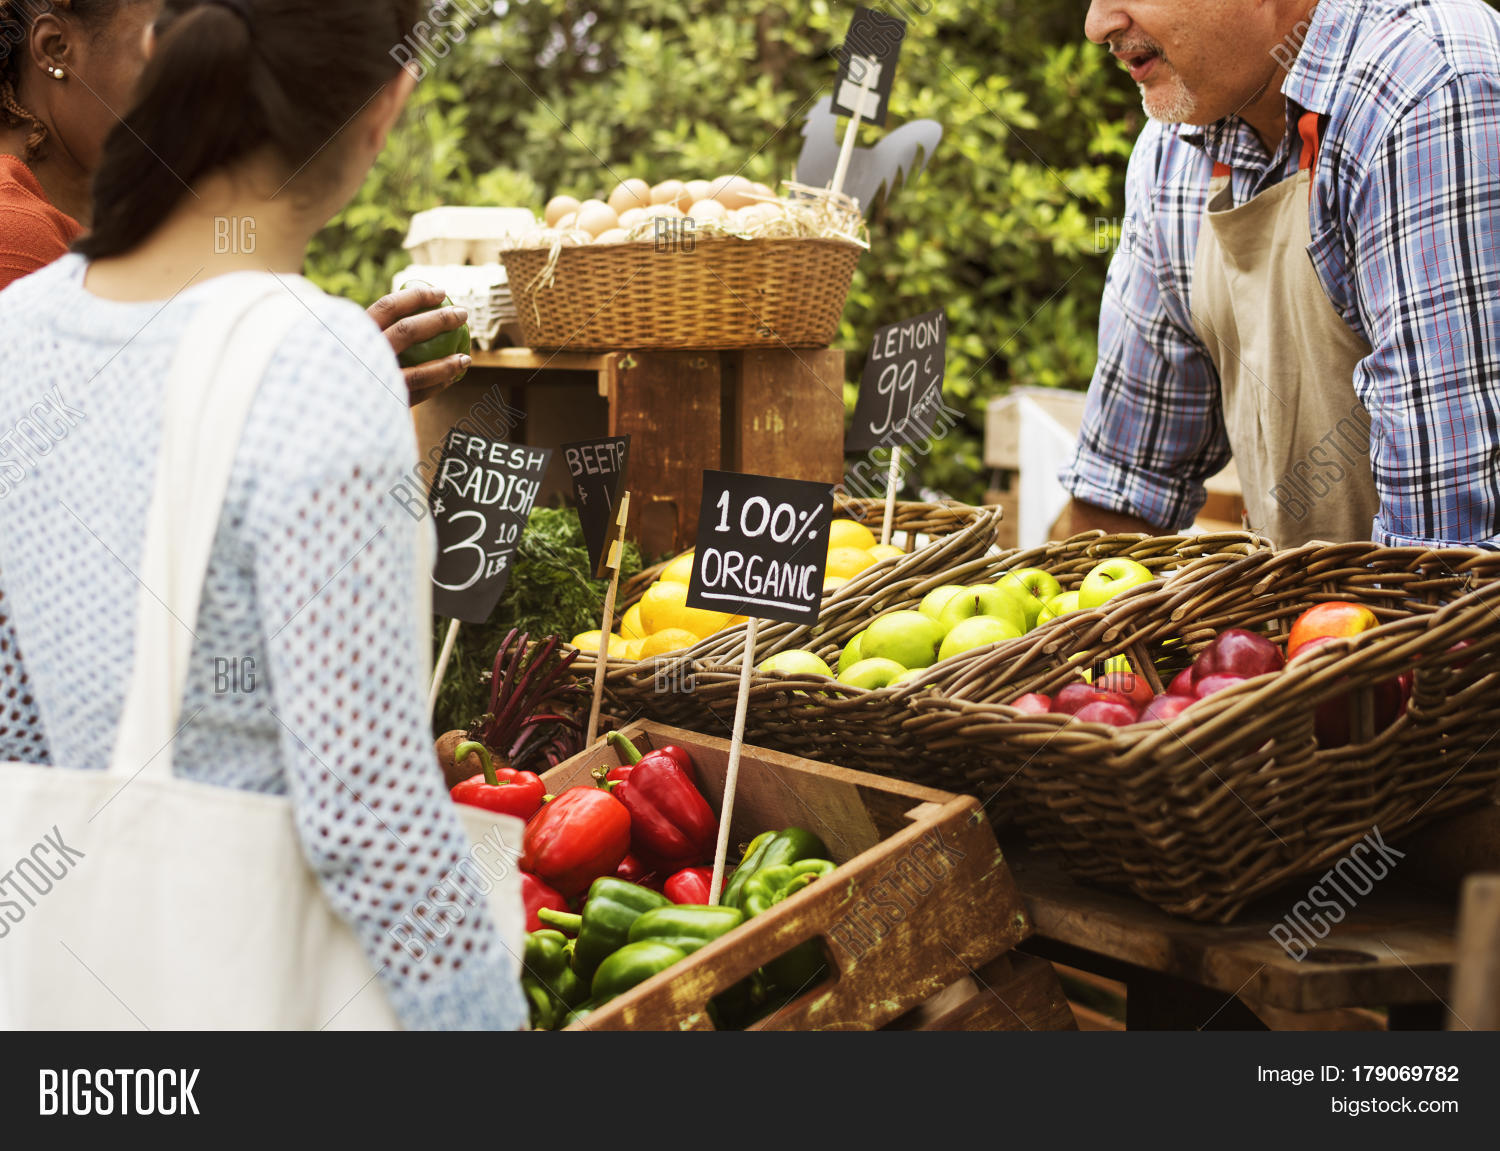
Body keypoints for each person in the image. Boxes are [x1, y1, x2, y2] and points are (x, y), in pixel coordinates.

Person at [0, 0, 524, 1029]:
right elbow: (368, 816)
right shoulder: (319, 364)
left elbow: (17, 706)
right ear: (385, 106)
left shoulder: (18, 333)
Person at [1060, 0, 1500, 549]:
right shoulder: (1173, 150)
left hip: (1427, 624)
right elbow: (1123, 496)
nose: (1097, 24)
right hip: (1318, 631)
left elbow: (1447, 557)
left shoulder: (1425, 89)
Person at [0, 0, 469, 405]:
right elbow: (107, 462)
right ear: (55, 49)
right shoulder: (15, 236)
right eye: (168, 50)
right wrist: (330, 398)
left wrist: (333, 380)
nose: (188, 83)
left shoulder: (109, 233)